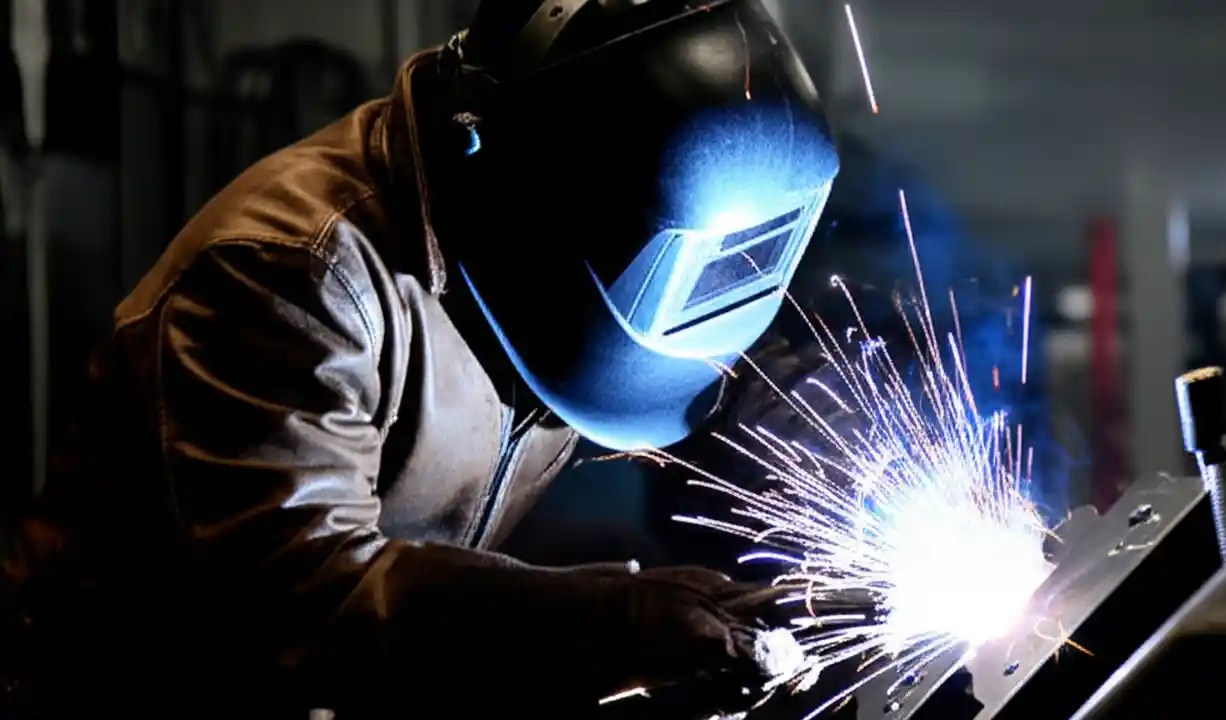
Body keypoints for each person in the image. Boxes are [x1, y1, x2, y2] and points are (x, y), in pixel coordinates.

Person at [15, 0, 840, 716]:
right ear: (540, 198)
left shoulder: (570, 240)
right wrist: (610, 618)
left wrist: (857, 468)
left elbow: (730, 361)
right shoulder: (290, 275)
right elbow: (314, 602)